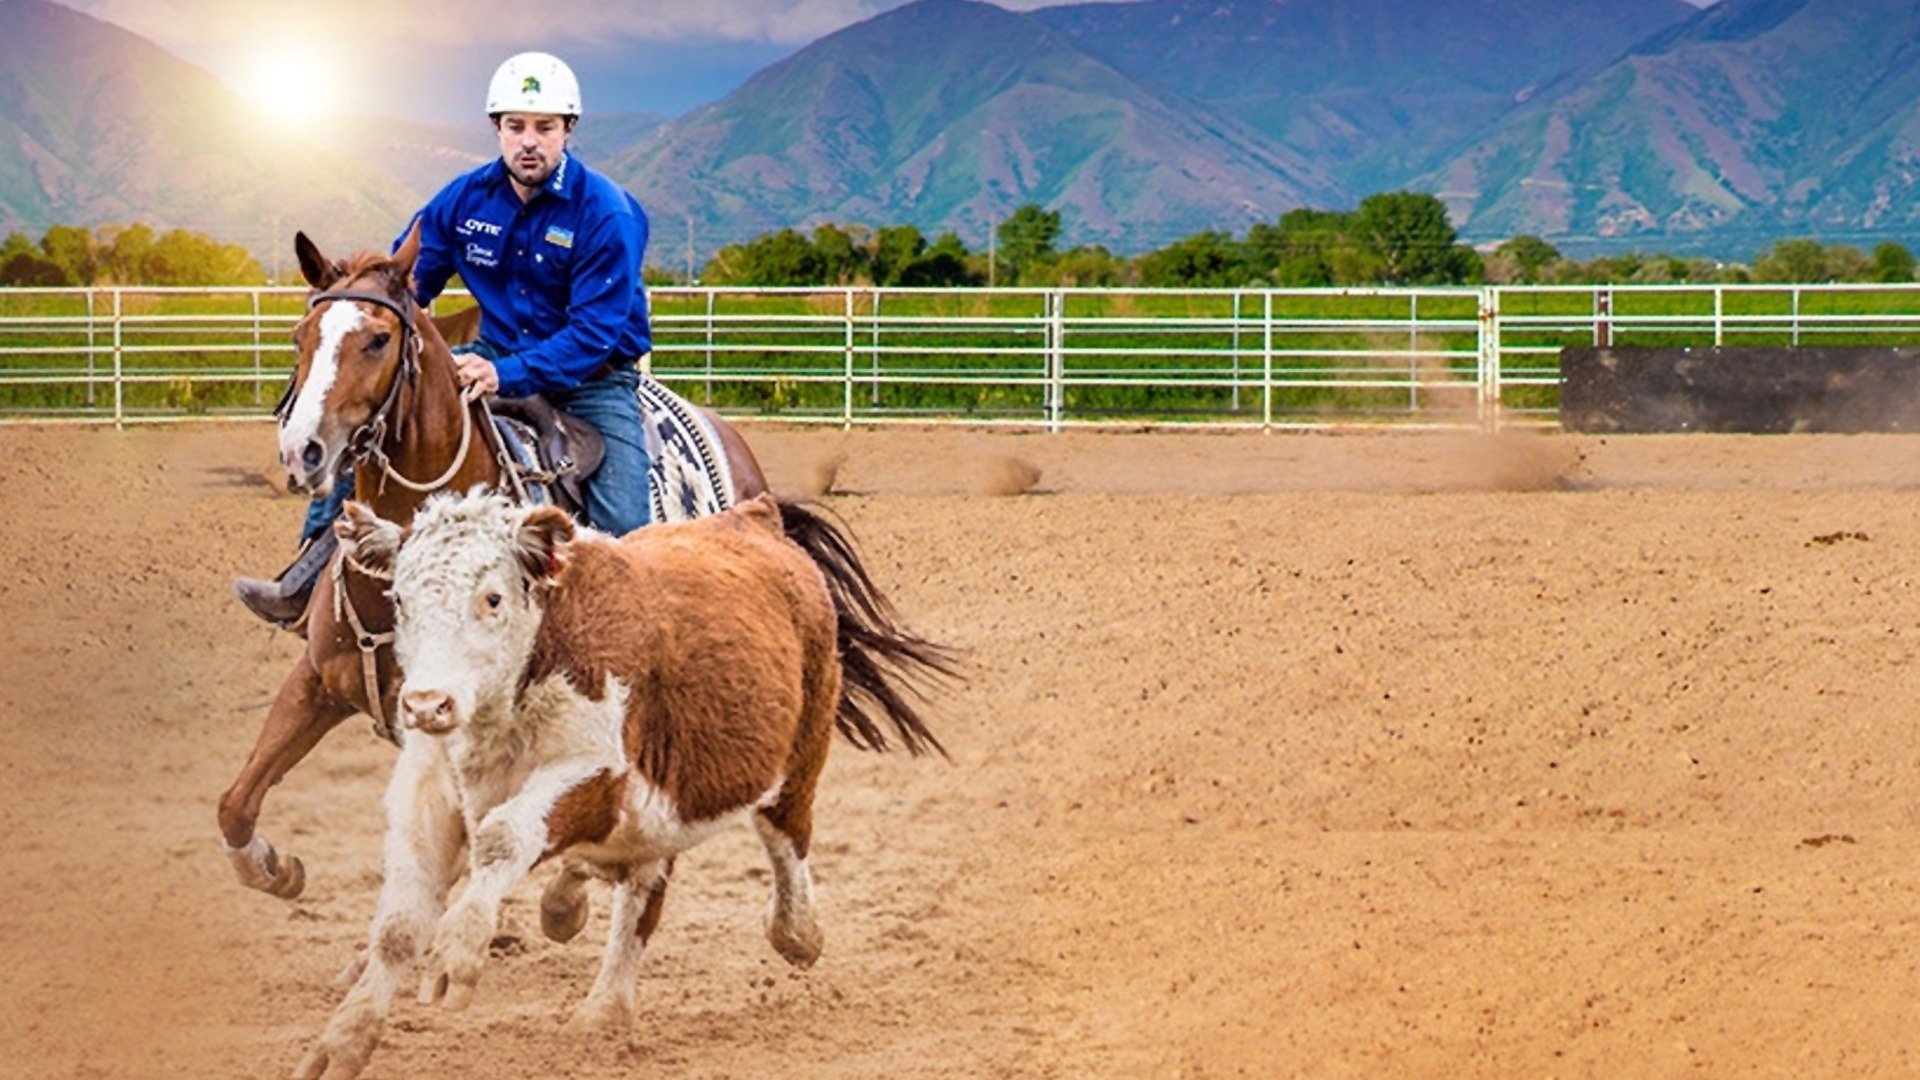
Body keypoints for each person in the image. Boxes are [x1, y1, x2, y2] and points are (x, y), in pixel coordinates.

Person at [236, 52, 655, 626]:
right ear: (497, 129)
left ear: (568, 130)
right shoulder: (463, 201)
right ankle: (307, 574)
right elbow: (405, 283)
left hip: (592, 379)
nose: (528, 141)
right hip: (494, 353)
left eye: (544, 127)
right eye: (515, 126)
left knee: (625, 516)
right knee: (376, 420)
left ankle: (617, 624)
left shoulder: (605, 212)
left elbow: (595, 332)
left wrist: (504, 374)